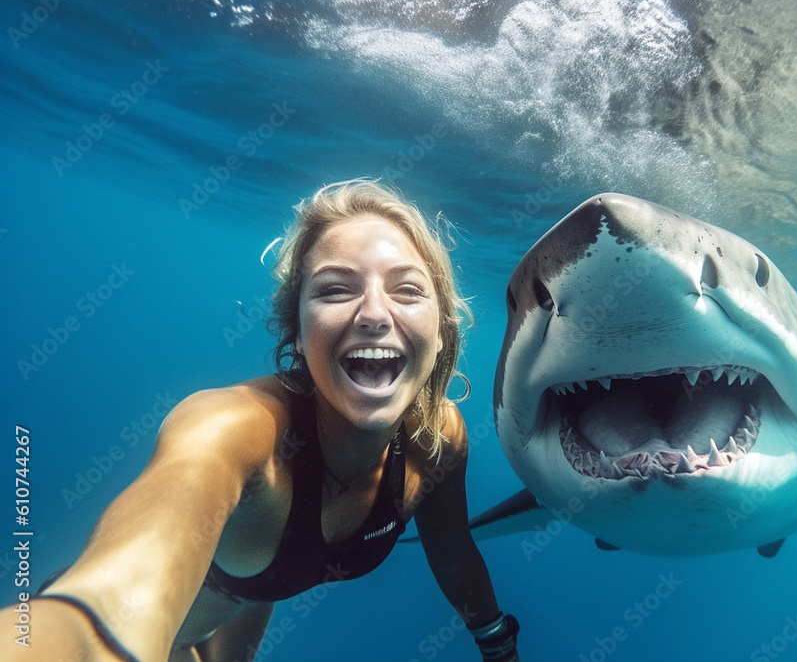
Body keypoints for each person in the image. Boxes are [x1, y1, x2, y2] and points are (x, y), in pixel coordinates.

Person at [3, 180, 519, 662]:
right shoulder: (236, 429)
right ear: (295, 329)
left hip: (235, 619)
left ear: (443, 329)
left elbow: (452, 550)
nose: (374, 314)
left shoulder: (437, 438)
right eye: (335, 290)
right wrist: (85, 638)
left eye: (407, 290)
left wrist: (497, 642)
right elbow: (107, 607)